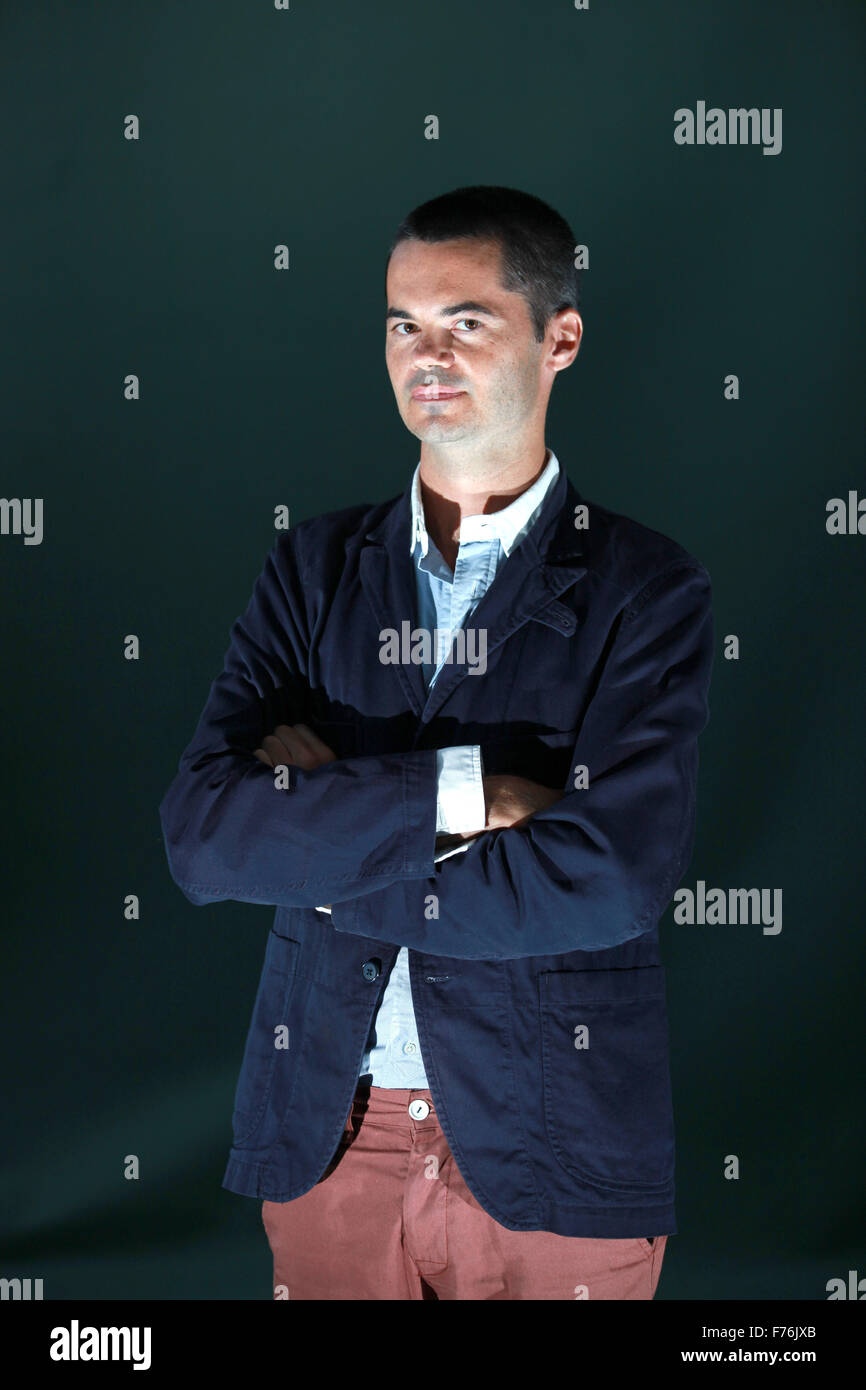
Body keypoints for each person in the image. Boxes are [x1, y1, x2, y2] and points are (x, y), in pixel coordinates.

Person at [159, 184, 714, 1300]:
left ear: (558, 338)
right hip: (329, 1135)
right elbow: (204, 839)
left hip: (554, 1146)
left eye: (464, 321)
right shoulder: (311, 569)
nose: (427, 354)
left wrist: (320, 849)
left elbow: (606, 880)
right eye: (402, 325)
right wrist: (471, 795)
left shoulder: (644, 588)